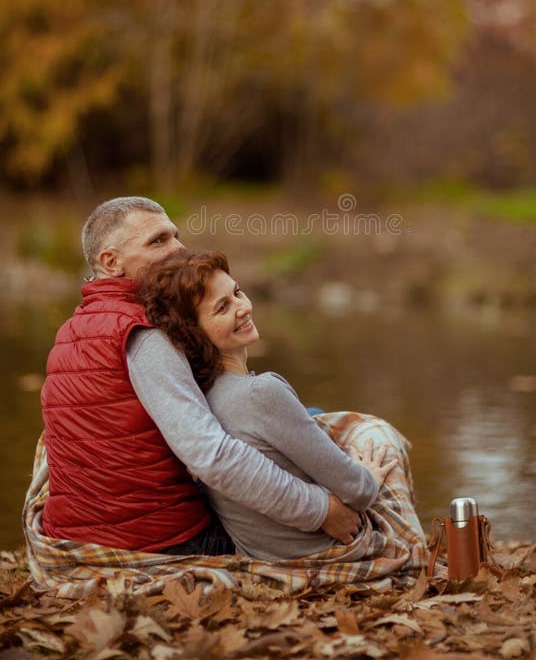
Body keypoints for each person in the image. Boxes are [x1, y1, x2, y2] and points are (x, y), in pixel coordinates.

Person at [40, 196, 361, 556]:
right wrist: (320, 511)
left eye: (175, 236)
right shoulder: (144, 334)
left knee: (307, 415)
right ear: (111, 262)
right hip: (162, 541)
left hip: (71, 529)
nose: (179, 249)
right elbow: (211, 457)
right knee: (350, 436)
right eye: (158, 241)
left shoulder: (72, 329)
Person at [138, 248, 423, 561]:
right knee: (379, 439)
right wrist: (369, 475)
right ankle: (417, 557)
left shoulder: (200, 402)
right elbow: (358, 491)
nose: (243, 307)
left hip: (262, 555)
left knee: (329, 423)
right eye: (222, 308)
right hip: (327, 551)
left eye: (236, 293)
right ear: (194, 333)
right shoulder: (262, 393)